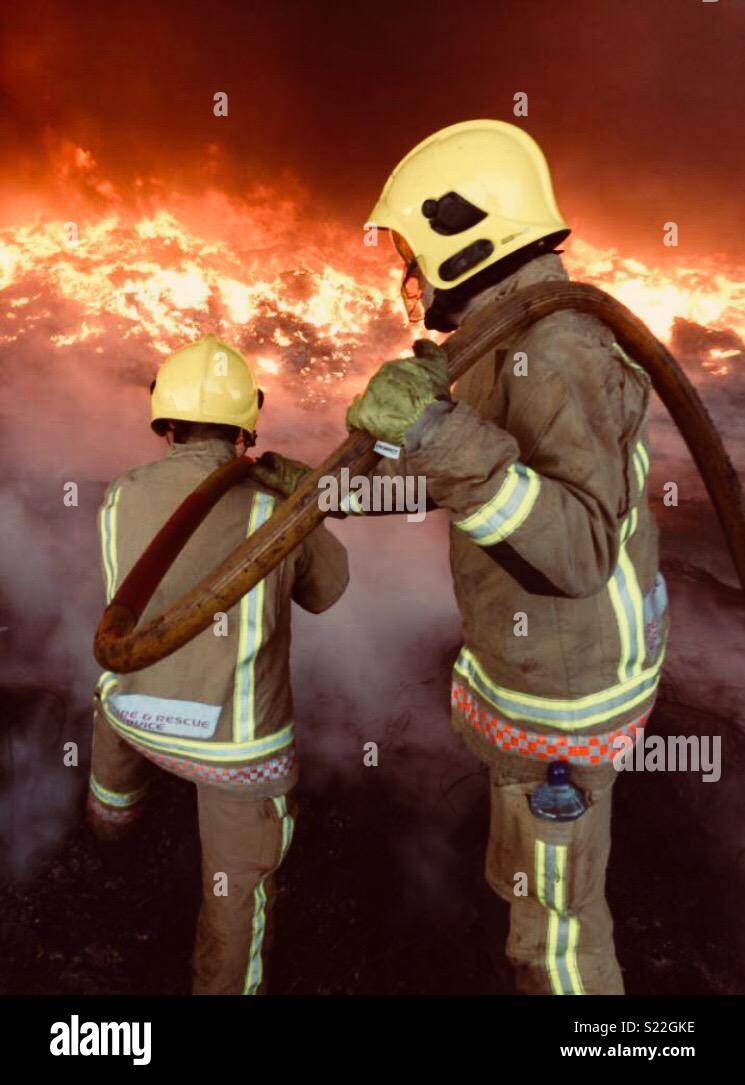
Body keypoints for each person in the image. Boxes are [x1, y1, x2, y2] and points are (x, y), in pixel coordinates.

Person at [344, 120, 668, 995]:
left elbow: (572, 550)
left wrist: (429, 430)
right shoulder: (514, 330)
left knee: (557, 938)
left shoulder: (552, 349)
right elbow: (487, 479)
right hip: (541, 683)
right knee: (527, 874)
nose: (406, 277)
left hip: (564, 705)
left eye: (412, 252)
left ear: (465, 236)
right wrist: (336, 486)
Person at [87, 333, 349, 995]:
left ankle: (109, 824)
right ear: (246, 426)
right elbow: (328, 591)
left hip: (133, 715)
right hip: (233, 748)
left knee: (111, 711)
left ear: (164, 421)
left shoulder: (120, 493)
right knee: (235, 888)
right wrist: (306, 505)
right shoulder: (274, 508)